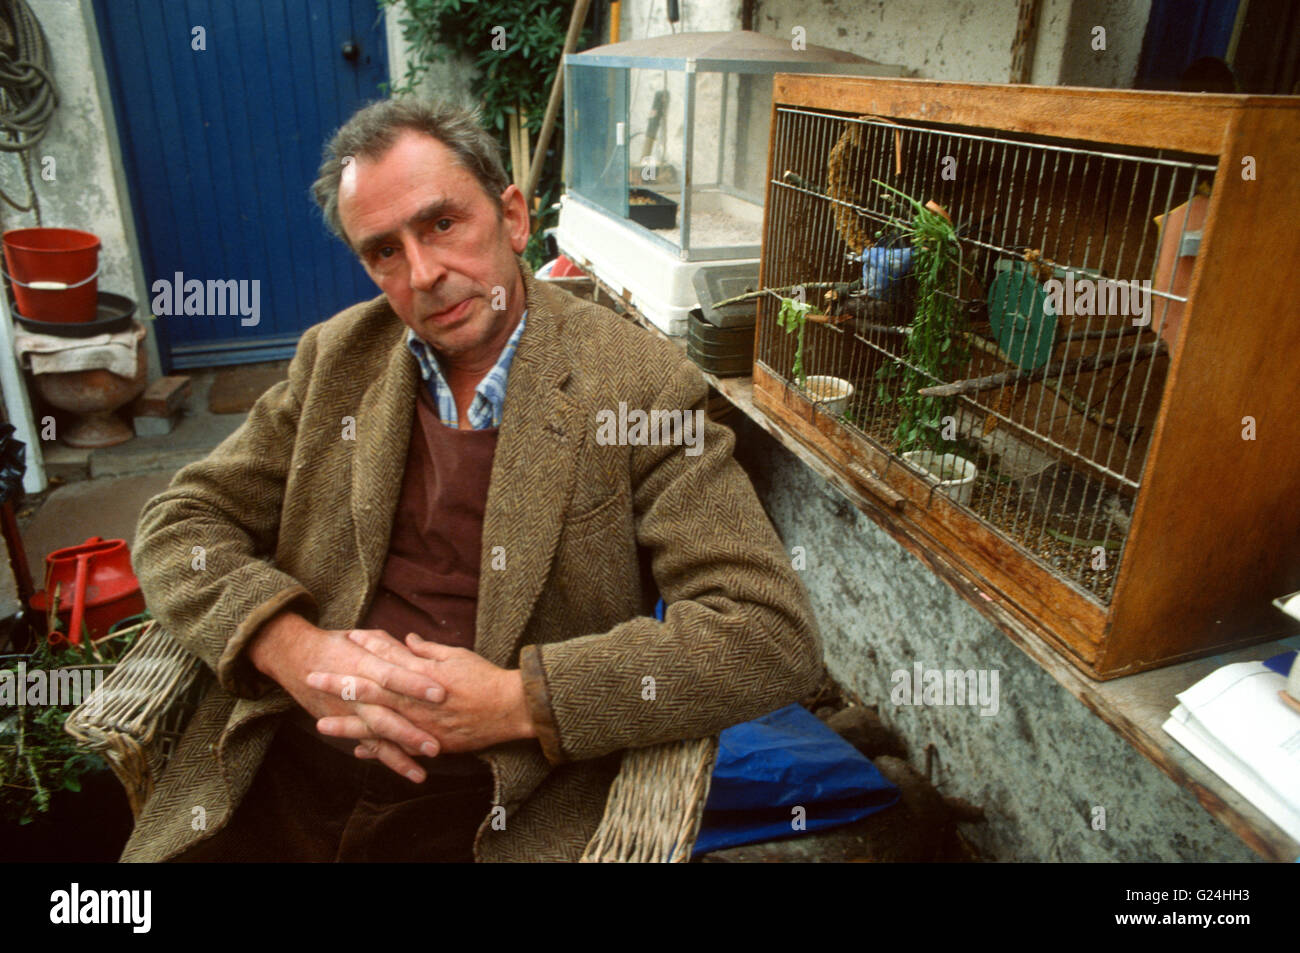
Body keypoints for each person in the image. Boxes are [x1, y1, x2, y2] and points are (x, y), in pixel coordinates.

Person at [121, 98, 822, 863]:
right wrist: (292, 648)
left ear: (513, 217)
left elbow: (766, 632)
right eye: (384, 250)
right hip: (287, 765)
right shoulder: (337, 359)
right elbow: (179, 521)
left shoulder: (637, 387)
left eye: (442, 224)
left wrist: (519, 700)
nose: (423, 273)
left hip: (492, 804)